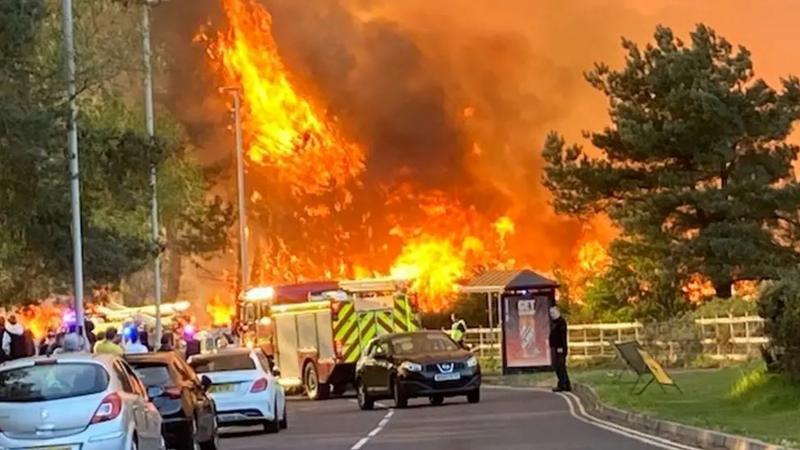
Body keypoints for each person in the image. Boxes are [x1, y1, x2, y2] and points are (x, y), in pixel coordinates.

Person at [549, 306, 571, 392]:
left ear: (558, 312)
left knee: (560, 366)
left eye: (553, 313)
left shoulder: (561, 322)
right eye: (551, 313)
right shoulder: (554, 323)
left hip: (560, 348)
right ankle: (563, 383)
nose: (552, 315)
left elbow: (562, 337)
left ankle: (564, 384)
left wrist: (562, 347)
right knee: (558, 367)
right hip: (555, 347)